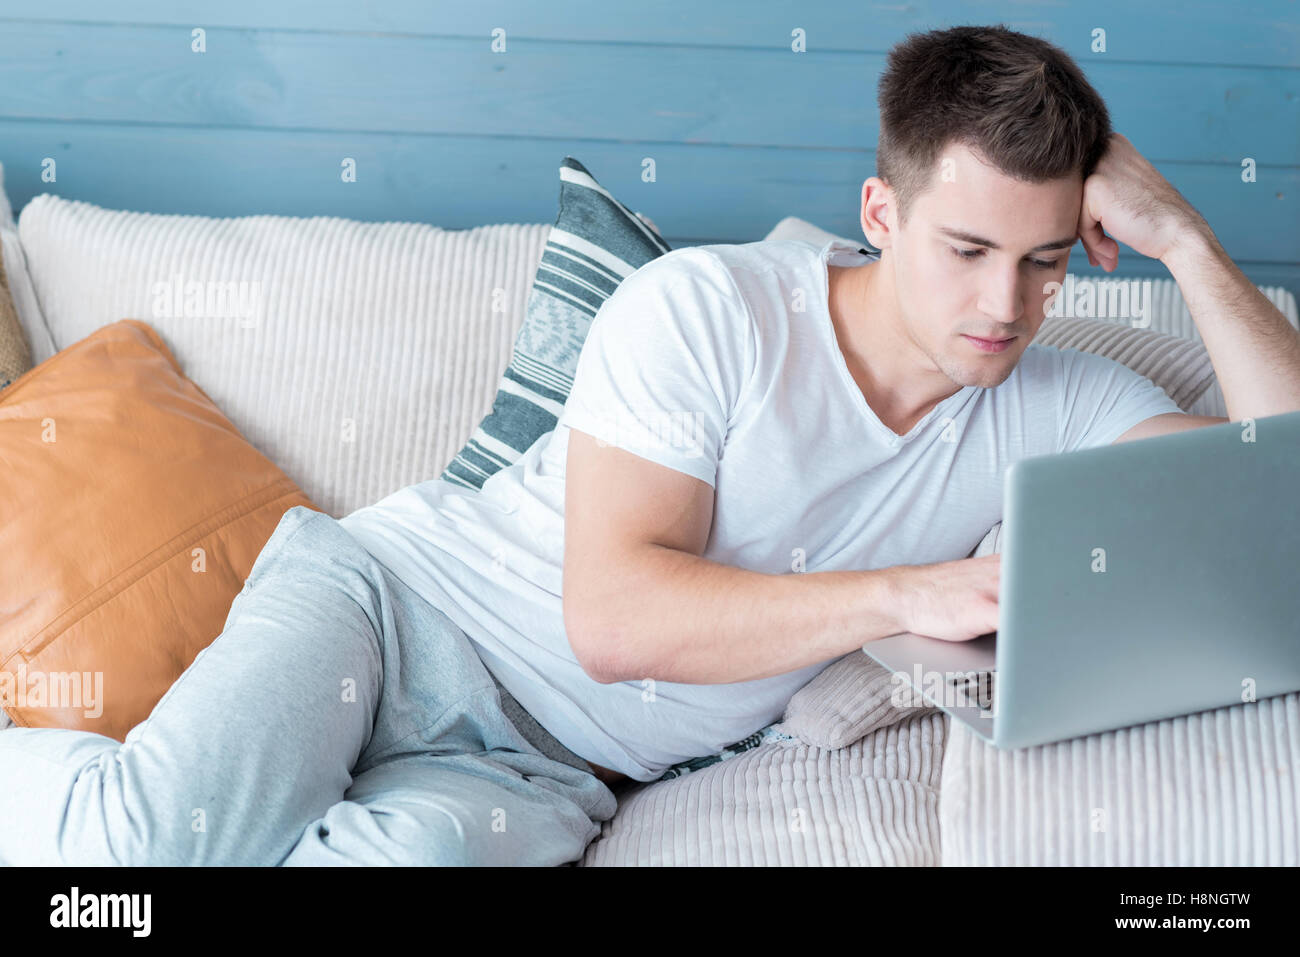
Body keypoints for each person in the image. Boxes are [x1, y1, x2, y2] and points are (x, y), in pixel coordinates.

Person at [3, 24, 1296, 866]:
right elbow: (616, 618)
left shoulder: (1052, 397)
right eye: (966, 252)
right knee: (141, 858)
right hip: (392, 613)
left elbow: (1279, 489)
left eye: (1043, 262)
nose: (1003, 307)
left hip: (551, 768)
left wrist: (1185, 239)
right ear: (881, 212)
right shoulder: (714, 311)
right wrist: (915, 592)